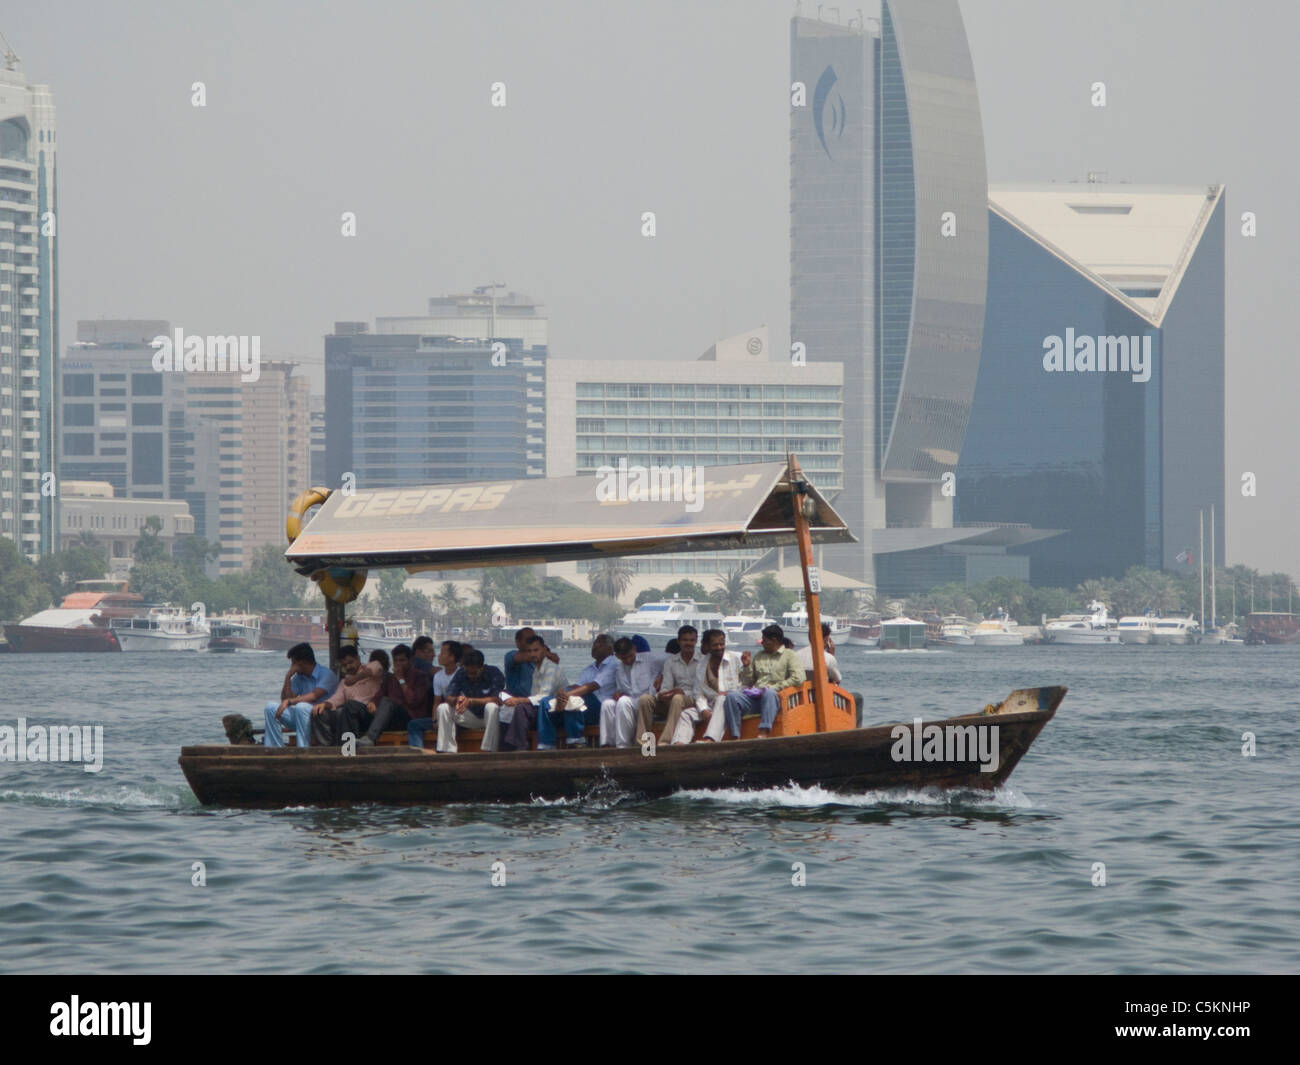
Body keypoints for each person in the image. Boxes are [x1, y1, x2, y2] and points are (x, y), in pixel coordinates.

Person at [722, 623, 804, 739]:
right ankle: (735, 735)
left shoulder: (789, 655)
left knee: (769, 693)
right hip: (755, 698)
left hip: (777, 698)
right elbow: (748, 681)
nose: (762, 643)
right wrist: (746, 666)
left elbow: (798, 678)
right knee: (731, 697)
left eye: (764, 640)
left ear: (774, 640)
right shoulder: (759, 656)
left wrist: (774, 688)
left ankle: (763, 731)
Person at [536, 634, 616, 749]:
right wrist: (560, 693)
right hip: (582, 705)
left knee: (574, 698)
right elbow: (577, 686)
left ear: (609, 649)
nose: (594, 648)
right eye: (594, 644)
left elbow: (592, 686)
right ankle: (546, 744)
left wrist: (566, 695)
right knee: (545, 702)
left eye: (599, 645)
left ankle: (575, 739)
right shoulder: (589, 669)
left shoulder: (612, 665)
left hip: (598, 707)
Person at [420, 648, 508, 754]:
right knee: (443, 708)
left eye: (474, 673)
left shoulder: (494, 673)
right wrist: (457, 699)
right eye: (468, 673)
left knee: (492, 707)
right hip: (469, 715)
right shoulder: (461, 673)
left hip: (489, 717)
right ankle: (446, 750)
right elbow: (449, 697)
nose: (470, 676)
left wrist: (470, 701)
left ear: (482, 667)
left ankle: (489, 750)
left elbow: (497, 699)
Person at [352, 643, 431, 745]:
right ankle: (347, 742)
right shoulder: (390, 678)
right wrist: (373, 702)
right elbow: (379, 694)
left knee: (387, 702)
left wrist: (401, 679)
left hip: (409, 718)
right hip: (390, 719)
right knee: (352, 705)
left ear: (410, 661)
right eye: (395, 661)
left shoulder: (420, 676)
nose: (398, 663)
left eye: (402, 660)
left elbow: (413, 701)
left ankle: (370, 738)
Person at [634, 625, 700, 745]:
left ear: (696, 641)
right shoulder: (670, 661)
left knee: (678, 698)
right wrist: (663, 694)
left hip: (694, 700)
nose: (688, 643)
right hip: (674, 700)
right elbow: (666, 686)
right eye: (685, 640)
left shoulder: (703, 661)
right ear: (679, 641)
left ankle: (664, 743)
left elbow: (701, 690)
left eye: (691, 640)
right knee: (645, 700)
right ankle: (644, 744)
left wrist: (682, 693)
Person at [262, 643, 338, 747]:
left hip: (322, 719)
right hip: (302, 717)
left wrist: (289, 702)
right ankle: (274, 748)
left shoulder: (326, 674)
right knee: (270, 707)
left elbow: (314, 695)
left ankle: (303, 748)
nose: (292, 667)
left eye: (293, 663)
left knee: (301, 707)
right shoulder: (299, 678)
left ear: (301, 663)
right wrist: (288, 677)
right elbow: (285, 700)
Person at [308, 645, 385, 746]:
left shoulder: (372, 667)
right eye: (344, 665)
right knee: (318, 712)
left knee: (349, 706)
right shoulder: (344, 682)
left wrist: (354, 679)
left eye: (350, 662)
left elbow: (375, 669)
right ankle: (329, 748)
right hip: (349, 716)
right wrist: (323, 705)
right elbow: (335, 700)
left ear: (358, 658)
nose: (348, 667)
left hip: (369, 714)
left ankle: (348, 748)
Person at [600, 637, 659, 748]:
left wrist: (662, 676)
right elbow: (621, 689)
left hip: (646, 702)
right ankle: (607, 744)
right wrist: (618, 692)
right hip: (629, 703)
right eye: (624, 658)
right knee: (607, 704)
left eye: (630, 656)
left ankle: (623, 745)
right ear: (617, 656)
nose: (628, 660)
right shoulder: (619, 669)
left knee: (623, 701)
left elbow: (672, 658)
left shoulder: (650, 660)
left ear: (635, 649)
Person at [697, 629, 745, 743]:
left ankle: (710, 738)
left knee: (722, 698)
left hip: (733, 702)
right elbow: (697, 691)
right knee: (686, 714)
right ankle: (678, 743)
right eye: (715, 645)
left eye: (721, 644)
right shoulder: (701, 664)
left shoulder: (737, 658)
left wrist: (732, 693)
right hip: (711, 704)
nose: (719, 647)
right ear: (708, 646)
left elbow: (748, 683)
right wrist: (703, 709)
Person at [503, 626, 537, 695]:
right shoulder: (510, 655)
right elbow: (518, 658)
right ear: (518, 642)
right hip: (516, 700)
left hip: (536, 699)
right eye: (528, 640)